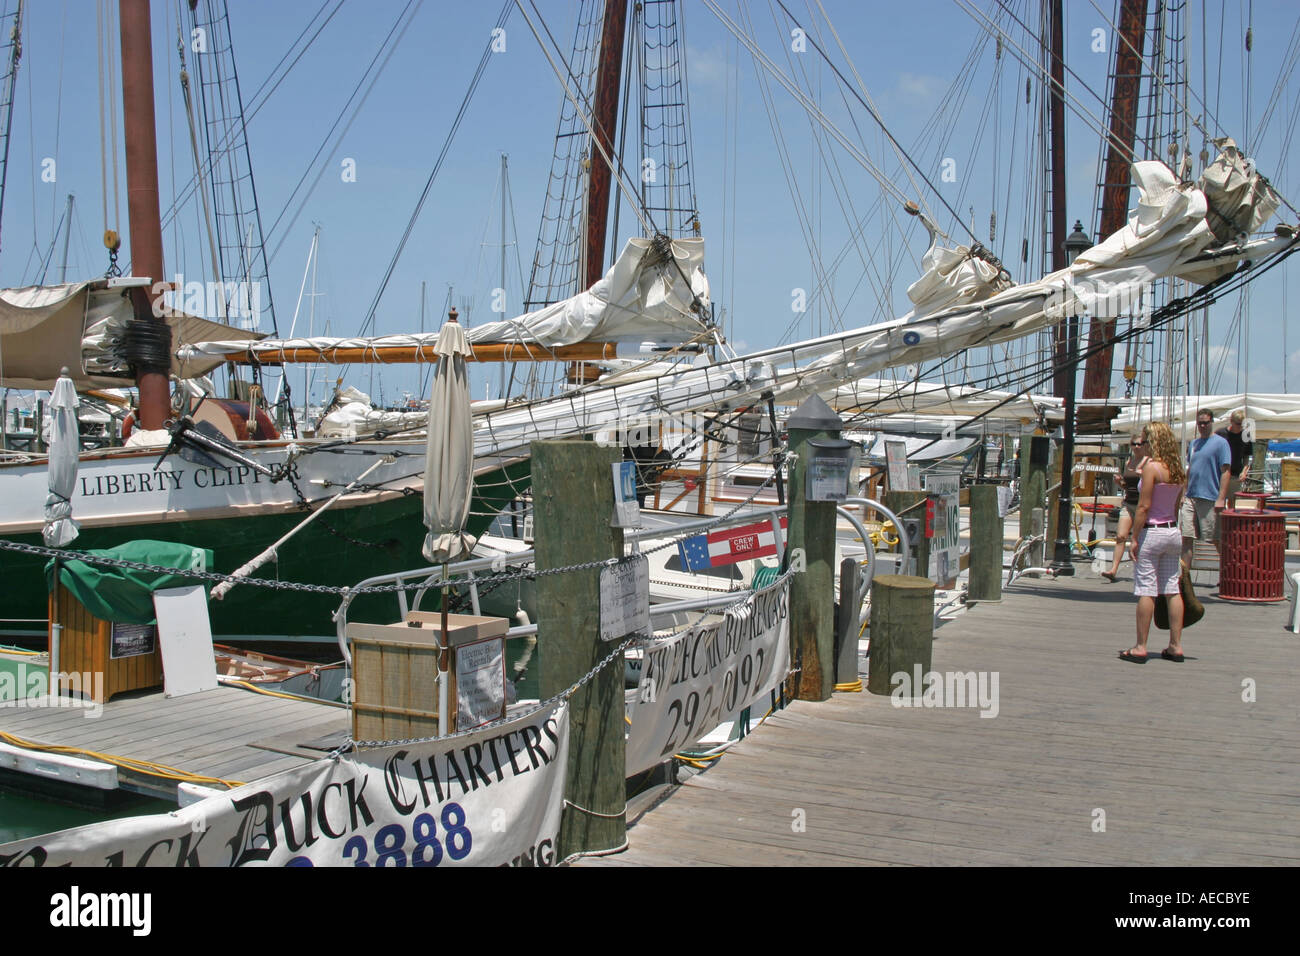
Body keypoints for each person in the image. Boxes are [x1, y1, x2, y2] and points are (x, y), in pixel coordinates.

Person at [1120, 421, 1186, 663]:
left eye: (1146, 441)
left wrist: (1134, 538)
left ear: (1154, 442)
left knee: (1146, 590)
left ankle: (1140, 646)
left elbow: (1144, 506)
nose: (1143, 445)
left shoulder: (1152, 468)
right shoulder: (1178, 469)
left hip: (1153, 532)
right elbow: (1177, 505)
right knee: (1171, 588)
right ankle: (1175, 645)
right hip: (1172, 531)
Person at [1181, 408, 1231, 569]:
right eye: (1200, 423)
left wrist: (1221, 498)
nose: (1202, 426)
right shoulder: (1194, 443)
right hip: (1191, 497)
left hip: (1210, 498)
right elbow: (1190, 469)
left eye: (1205, 422)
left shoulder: (1221, 443)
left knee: (1214, 539)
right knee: (1186, 537)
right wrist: (1183, 493)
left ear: (1211, 422)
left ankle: (1228, 571)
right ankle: (1184, 578)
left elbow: (1226, 471)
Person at [1101, 432, 1149, 581]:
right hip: (1128, 502)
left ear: (1145, 445)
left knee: (1141, 539)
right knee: (1121, 536)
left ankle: (1141, 571)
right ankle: (1113, 570)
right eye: (1133, 444)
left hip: (1142, 504)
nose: (1136, 447)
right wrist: (1119, 483)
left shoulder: (1148, 462)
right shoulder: (1129, 462)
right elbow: (1126, 485)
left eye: (1139, 444)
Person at [1216, 410, 1253, 507]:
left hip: (1236, 475)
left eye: (1242, 424)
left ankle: (1230, 522)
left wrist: (1244, 471)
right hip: (1220, 474)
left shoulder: (1245, 435)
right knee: (1220, 502)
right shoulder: (1220, 434)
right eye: (1238, 424)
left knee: (1233, 503)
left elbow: (1246, 456)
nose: (1240, 426)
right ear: (1231, 421)